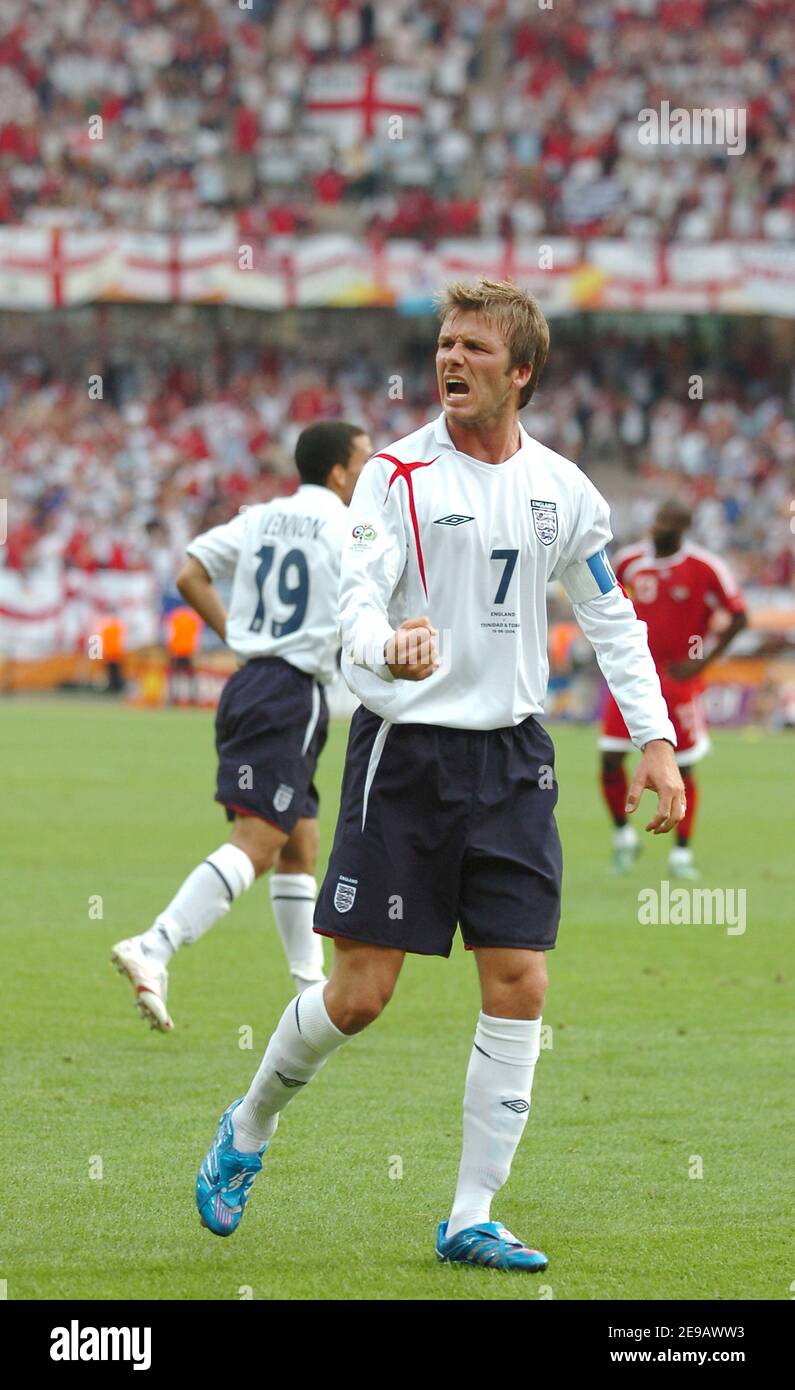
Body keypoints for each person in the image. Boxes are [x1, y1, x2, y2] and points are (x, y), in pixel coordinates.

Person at [195, 279, 684, 1270]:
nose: (450, 361)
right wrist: (389, 651)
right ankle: (248, 1125)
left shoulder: (563, 490)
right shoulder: (395, 478)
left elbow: (611, 621)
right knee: (363, 993)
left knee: (521, 980)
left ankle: (469, 1212)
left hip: (513, 760)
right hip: (404, 756)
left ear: (522, 372)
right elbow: (357, 604)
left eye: (472, 347)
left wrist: (657, 741)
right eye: (443, 345)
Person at [111, 420, 372, 1030]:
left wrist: (239, 636)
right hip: (290, 694)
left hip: (249, 682)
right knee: (257, 844)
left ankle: (311, 989)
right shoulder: (349, 527)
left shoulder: (261, 516)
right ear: (338, 471)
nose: (368, 474)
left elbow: (189, 573)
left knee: (297, 843)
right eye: (363, 462)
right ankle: (155, 945)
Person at [599, 499, 748, 877]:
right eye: (659, 517)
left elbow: (739, 615)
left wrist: (703, 661)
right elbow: (605, 603)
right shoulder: (630, 561)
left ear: (682, 527)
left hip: (677, 681)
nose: (660, 524)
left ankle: (681, 853)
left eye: (669, 520)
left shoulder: (705, 567)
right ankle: (623, 837)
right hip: (633, 676)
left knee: (683, 766)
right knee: (610, 758)